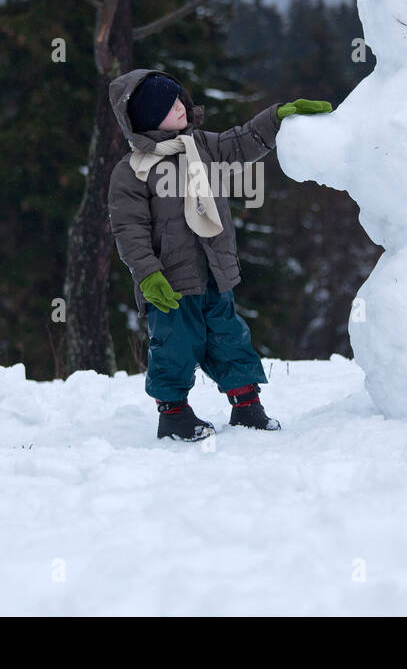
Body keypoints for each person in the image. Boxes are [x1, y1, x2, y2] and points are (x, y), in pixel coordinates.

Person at [107, 69, 331, 440]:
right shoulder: (131, 172)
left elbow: (242, 141)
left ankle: (247, 406)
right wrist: (148, 274)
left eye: (179, 98)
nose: (180, 106)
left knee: (230, 338)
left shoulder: (202, 146)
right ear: (146, 118)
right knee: (174, 347)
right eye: (167, 105)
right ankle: (174, 414)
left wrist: (276, 118)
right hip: (170, 281)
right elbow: (128, 231)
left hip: (213, 271)